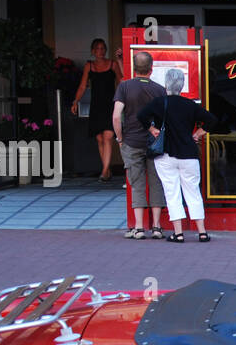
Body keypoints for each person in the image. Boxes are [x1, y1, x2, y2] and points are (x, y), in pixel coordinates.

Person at [137, 68, 225, 242]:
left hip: (166, 155)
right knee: (193, 192)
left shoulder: (159, 102)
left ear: (166, 85)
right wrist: (197, 134)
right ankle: (202, 232)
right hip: (189, 155)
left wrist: (153, 129)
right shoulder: (190, 105)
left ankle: (178, 233)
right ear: (182, 85)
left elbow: (141, 116)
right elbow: (212, 120)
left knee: (172, 193)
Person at [113, 51, 167, 239]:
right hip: (154, 144)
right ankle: (157, 227)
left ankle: (139, 227)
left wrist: (120, 138)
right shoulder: (160, 90)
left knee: (136, 184)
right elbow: (163, 118)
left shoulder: (124, 87)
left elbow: (116, 115)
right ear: (151, 69)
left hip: (131, 141)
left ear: (134, 68)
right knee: (156, 183)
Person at [72, 38, 123, 182]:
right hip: (96, 105)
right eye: (97, 49)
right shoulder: (89, 66)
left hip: (109, 104)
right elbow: (83, 86)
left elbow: (121, 81)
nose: (100, 51)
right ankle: (106, 169)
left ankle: (105, 170)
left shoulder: (112, 64)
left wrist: (122, 100)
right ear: (93, 51)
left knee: (108, 136)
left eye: (103, 48)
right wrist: (76, 100)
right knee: (99, 138)